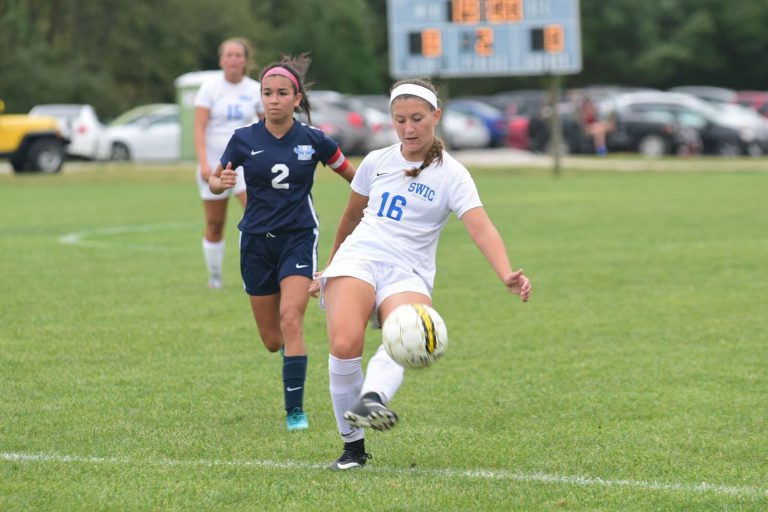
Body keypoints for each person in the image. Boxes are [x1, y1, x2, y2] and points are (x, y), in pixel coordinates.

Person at [309, 78, 532, 470]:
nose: (408, 128)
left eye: (417, 118)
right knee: (345, 345)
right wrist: (330, 264)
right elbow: (350, 217)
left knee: (409, 331)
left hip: (408, 270)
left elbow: (481, 227)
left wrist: (505, 273)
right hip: (359, 258)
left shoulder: (453, 174)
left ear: (436, 116)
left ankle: (372, 398)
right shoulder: (376, 162)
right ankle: (353, 450)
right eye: (400, 120)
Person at [208, 54, 356, 432]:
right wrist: (220, 183)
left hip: (298, 238)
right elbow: (215, 179)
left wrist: (382, 194)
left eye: (282, 93)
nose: (273, 100)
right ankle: (288, 362)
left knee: (292, 319)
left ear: (297, 98)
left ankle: (295, 412)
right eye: (267, 93)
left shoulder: (314, 140)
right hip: (256, 243)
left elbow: (357, 179)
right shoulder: (243, 139)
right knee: (273, 340)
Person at [194, 37, 264, 289]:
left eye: (238, 55)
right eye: (229, 55)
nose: (233, 59)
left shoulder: (255, 89)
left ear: (246, 60)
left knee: (256, 215)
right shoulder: (209, 88)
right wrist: (204, 163)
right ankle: (215, 277)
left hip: (246, 162)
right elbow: (199, 129)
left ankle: (258, 271)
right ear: (221, 60)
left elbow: (267, 126)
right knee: (215, 222)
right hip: (216, 161)